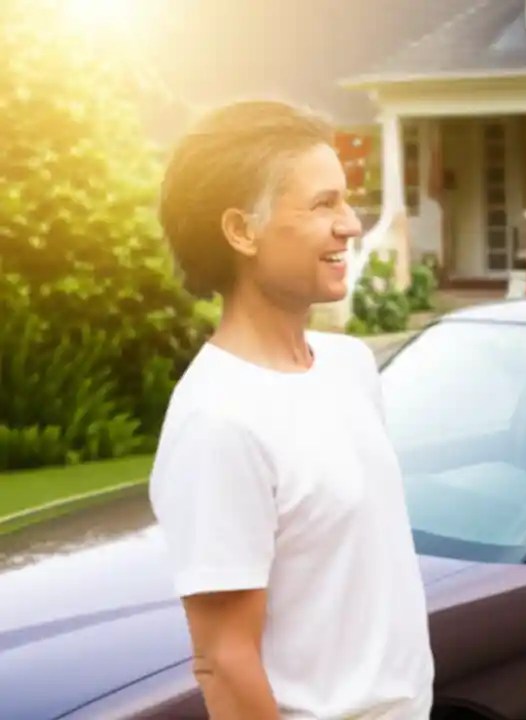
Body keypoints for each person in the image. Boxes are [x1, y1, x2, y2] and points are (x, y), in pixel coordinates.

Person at [148, 100, 433, 719]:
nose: (351, 225)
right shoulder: (217, 420)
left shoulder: (349, 365)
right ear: (241, 231)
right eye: (323, 204)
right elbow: (224, 663)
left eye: (346, 201)